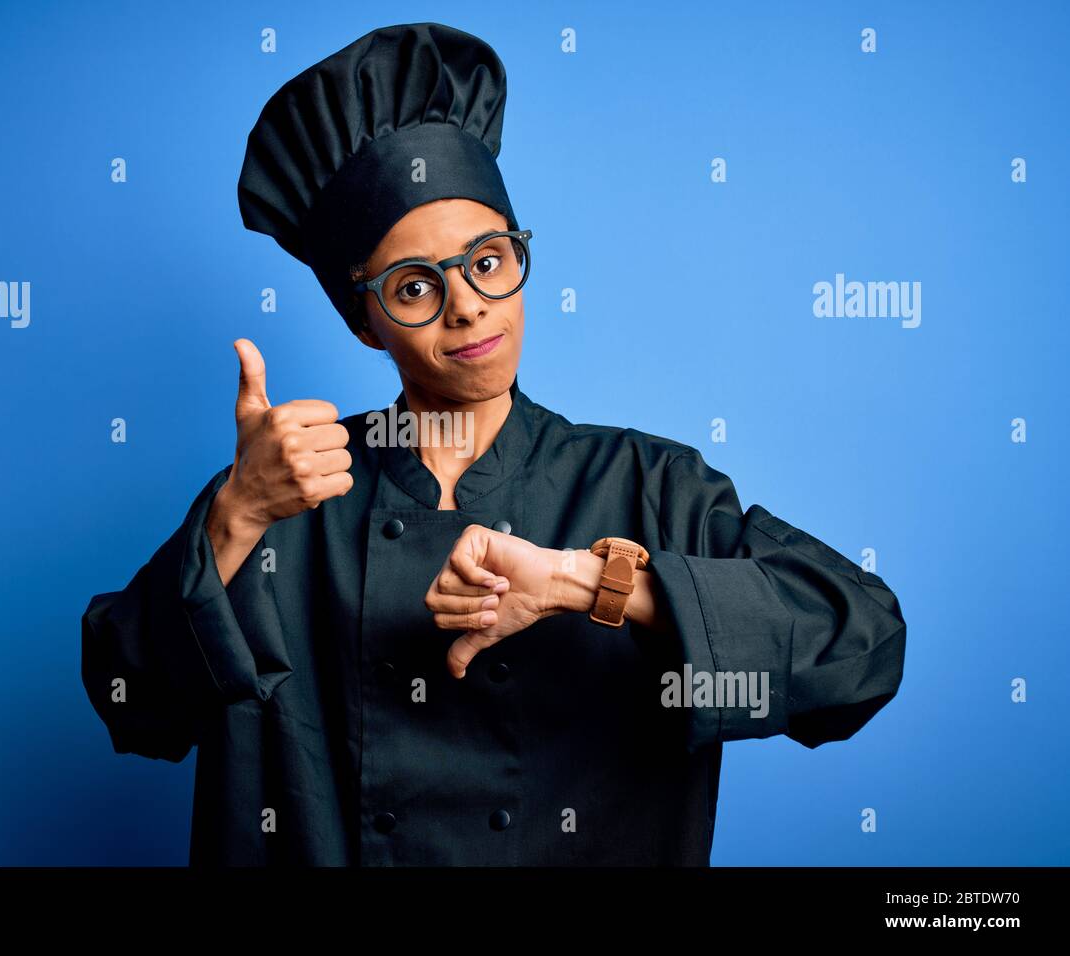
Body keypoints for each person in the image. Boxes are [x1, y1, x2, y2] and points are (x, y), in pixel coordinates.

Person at [80, 21, 907, 866]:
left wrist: (586, 582)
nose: (467, 306)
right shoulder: (283, 498)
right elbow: (131, 706)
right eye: (414, 286)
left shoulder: (649, 485)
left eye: (487, 260)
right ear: (366, 323)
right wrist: (234, 516)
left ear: (519, 258)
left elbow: (863, 651)